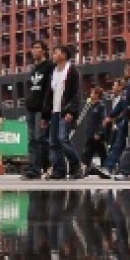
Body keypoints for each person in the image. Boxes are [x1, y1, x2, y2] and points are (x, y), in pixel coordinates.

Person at [47, 44, 83, 180]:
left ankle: (76, 165)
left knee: (63, 139)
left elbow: (76, 94)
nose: (53, 55)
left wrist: (71, 111)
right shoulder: (53, 72)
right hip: (54, 111)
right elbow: (49, 94)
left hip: (65, 111)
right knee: (53, 142)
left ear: (64, 55)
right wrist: (45, 114)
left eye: (55, 52)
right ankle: (59, 170)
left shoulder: (72, 71)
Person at [21, 39, 53, 180]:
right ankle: (34, 169)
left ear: (44, 50)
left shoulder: (49, 66)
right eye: (33, 47)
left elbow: (49, 89)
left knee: (41, 139)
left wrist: (46, 109)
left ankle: (46, 166)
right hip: (31, 108)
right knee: (32, 140)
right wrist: (28, 101)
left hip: (41, 108)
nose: (34, 50)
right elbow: (32, 88)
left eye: (37, 47)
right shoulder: (34, 68)